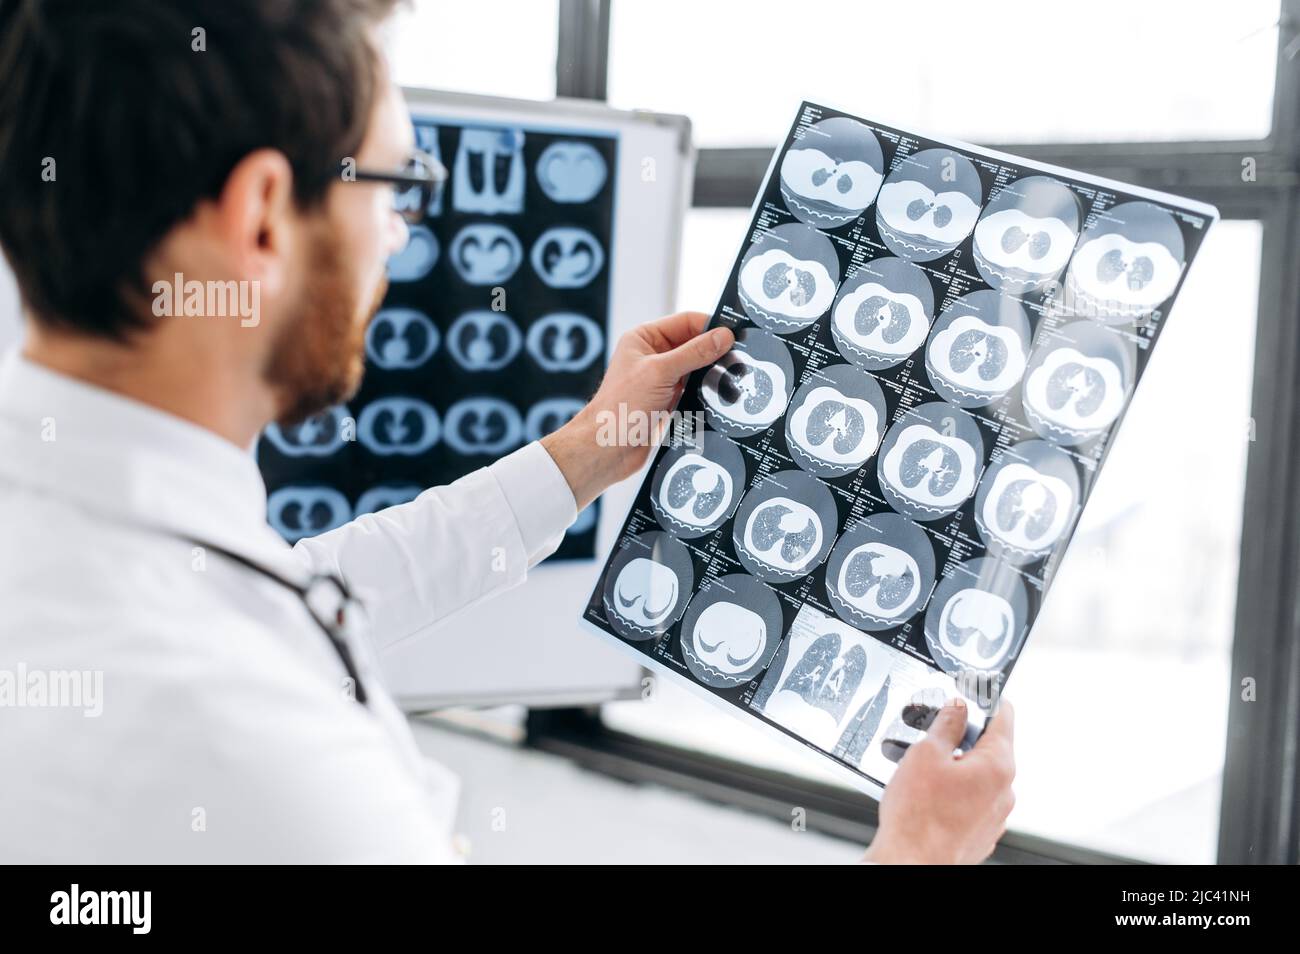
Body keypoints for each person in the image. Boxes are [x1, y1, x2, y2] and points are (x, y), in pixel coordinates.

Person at [0, 0, 1014, 863]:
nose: (398, 240)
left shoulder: (78, 530)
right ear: (263, 215)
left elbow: (307, 591)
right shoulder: (246, 747)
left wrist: (584, 453)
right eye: (395, 188)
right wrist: (915, 854)